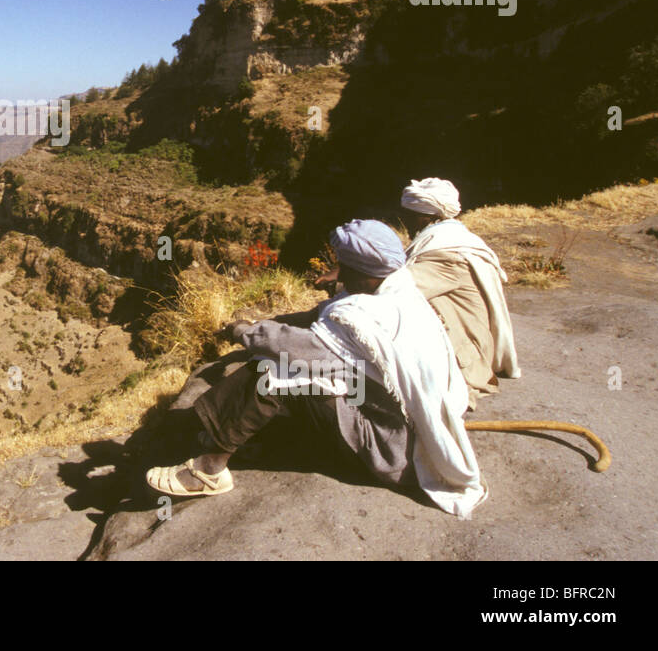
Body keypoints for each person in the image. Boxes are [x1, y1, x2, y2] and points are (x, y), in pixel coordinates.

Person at [146, 219, 487, 518]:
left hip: (389, 448)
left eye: (346, 267)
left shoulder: (364, 318)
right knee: (303, 374)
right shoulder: (398, 292)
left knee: (273, 374)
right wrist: (268, 321)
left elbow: (297, 348)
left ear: (364, 272)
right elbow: (321, 314)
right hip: (397, 423)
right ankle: (239, 435)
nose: (341, 273)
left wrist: (243, 332)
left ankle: (208, 470)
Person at [400, 178, 519, 408]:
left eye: (408, 214)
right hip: (467, 342)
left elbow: (395, 287)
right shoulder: (453, 240)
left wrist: (343, 281)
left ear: (427, 216)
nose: (404, 220)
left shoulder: (447, 254)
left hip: (465, 358)